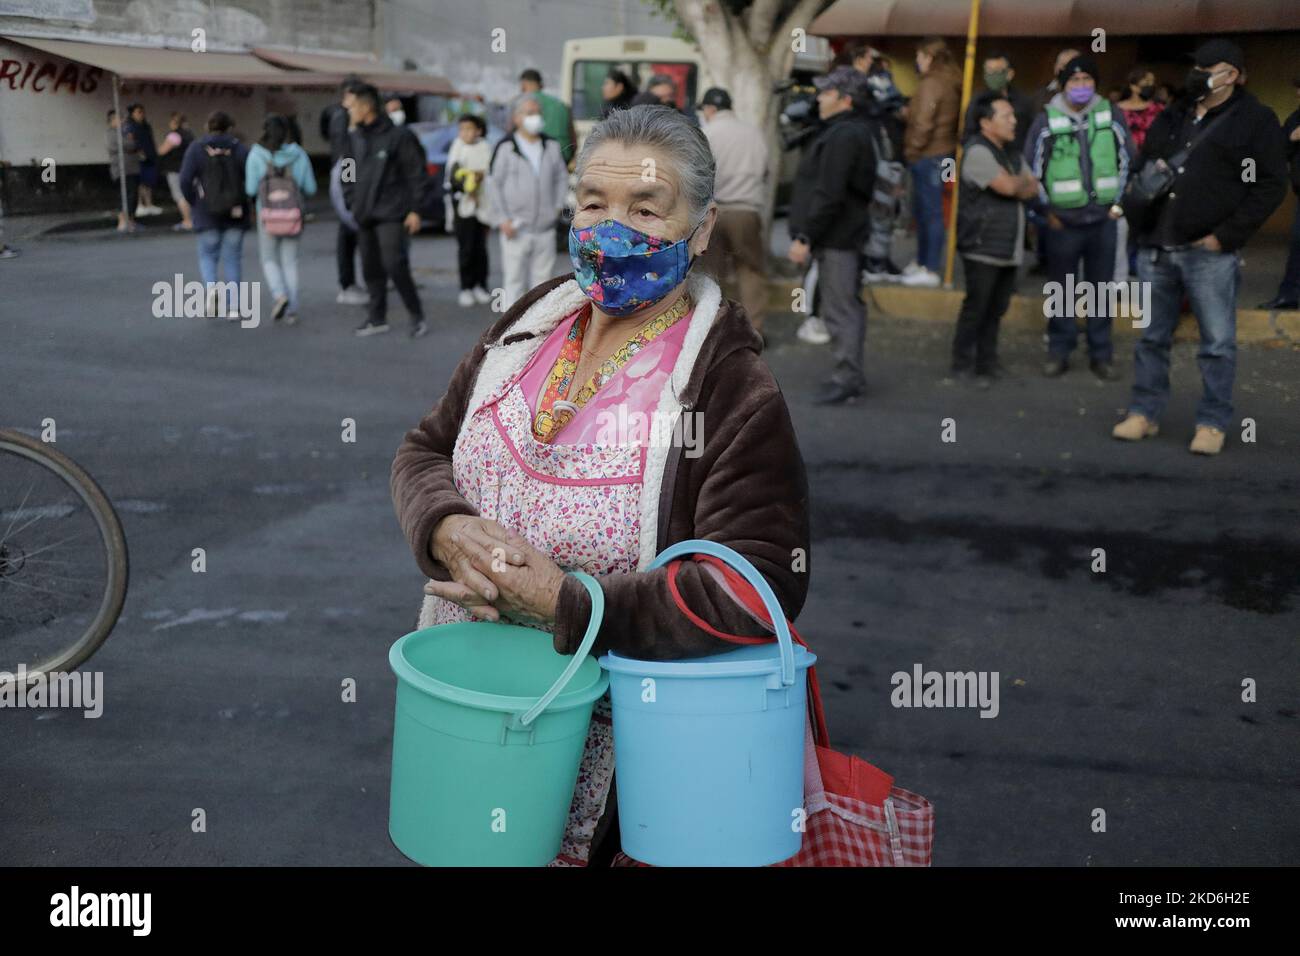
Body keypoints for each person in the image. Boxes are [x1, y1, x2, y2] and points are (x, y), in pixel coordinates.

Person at [391, 103, 809, 867]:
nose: (612, 229)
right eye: (594, 203)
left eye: (646, 208)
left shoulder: (730, 384)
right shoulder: (530, 325)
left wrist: (567, 603)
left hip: (616, 767)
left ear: (704, 227)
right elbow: (425, 449)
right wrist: (443, 526)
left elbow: (759, 587)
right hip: (471, 715)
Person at [1113, 39, 1287, 456]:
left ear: (1235, 76)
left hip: (1209, 252)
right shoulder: (1174, 114)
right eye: (1198, 65)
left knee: (1217, 342)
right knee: (1152, 338)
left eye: (1213, 66)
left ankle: (1212, 422)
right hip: (1157, 245)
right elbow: (1143, 163)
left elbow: (1269, 185)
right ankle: (1143, 412)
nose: (1201, 72)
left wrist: (1226, 236)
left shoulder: (1256, 120)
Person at [1024, 54, 1134, 379]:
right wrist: (1047, 211)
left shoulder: (1110, 113)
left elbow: (1128, 160)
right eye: (1075, 80)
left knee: (1100, 289)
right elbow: (1033, 170)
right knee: (1062, 290)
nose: (1082, 86)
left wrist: (1118, 206)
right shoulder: (1046, 119)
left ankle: (1101, 353)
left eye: (1088, 80)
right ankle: (1060, 350)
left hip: (1103, 220)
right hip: (1063, 222)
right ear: (1063, 84)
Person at [787, 66, 877, 405]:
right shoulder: (844, 131)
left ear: (845, 99)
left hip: (839, 237)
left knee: (841, 309)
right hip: (839, 235)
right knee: (842, 305)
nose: (819, 98)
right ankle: (848, 374)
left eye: (826, 92)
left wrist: (805, 237)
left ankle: (847, 377)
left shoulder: (845, 135)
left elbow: (830, 192)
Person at [952, 92, 1039, 387]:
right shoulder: (977, 152)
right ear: (986, 122)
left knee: (996, 309)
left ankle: (987, 363)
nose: (1014, 121)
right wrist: (1017, 184)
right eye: (1006, 116)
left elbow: (1032, 188)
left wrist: (1018, 184)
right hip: (982, 245)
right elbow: (1007, 187)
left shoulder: (1011, 153)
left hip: (1008, 246)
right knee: (978, 307)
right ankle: (963, 363)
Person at [342, 83, 429, 338]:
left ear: (367, 106)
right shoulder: (354, 137)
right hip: (363, 212)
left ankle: (416, 315)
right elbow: (347, 172)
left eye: (353, 106)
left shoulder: (398, 136)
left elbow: (416, 173)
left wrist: (415, 209)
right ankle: (376, 317)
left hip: (392, 212)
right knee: (370, 267)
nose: (349, 112)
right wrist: (351, 201)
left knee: (394, 263)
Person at [696, 87, 770, 337]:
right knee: (750, 269)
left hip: (713, 213)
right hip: (746, 211)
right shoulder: (754, 134)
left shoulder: (706, 134)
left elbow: (698, 174)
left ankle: (713, 328)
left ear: (710, 109)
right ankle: (753, 329)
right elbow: (765, 171)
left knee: (711, 274)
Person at [487, 93, 568, 310]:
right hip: (516, 227)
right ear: (516, 118)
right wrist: (502, 219)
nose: (536, 117)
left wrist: (557, 207)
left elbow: (561, 177)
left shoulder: (550, 145)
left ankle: (538, 331)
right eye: (530, 113)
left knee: (543, 282)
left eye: (538, 113)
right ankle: (510, 333)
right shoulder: (506, 147)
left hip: (545, 226)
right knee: (514, 281)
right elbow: (494, 185)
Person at [245, 113, 317, 325]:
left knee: (268, 258)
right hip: (293, 216)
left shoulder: (256, 155)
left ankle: (279, 294)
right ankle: (292, 310)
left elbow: (250, 189)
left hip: (267, 216)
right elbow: (311, 188)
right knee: (290, 262)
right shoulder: (299, 155)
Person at [179, 110, 251, 317]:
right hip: (236, 213)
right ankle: (234, 308)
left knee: (208, 255)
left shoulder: (196, 148)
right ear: (230, 127)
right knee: (232, 258)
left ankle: (211, 289)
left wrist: (194, 202)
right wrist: (247, 202)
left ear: (207, 127)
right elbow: (251, 179)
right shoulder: (239, 149)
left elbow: (184, 180)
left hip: (205, 212)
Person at [902, 37, 961, 288]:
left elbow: (924, 122)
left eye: (920, 57)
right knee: (936, 208)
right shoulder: (952, 81)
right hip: (946, 153)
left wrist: (912, 150)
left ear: (930, 58)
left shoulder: (932, 84)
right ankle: (926, 263)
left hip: (929, 154)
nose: (917, 61)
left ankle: (929, 266)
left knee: (929, 212)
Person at [1114, 66, 1166, 281]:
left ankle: (1139, 260)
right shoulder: (1116, 110)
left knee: (1147, 213)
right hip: (1121, 168)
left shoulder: (1160, 111)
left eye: (1152, 82)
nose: (1149, 87)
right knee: (1122, 217)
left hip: (1151, 170)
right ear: (1133, 85)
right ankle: (1120, 270)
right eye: (1145, 82)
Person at [325, 75, 369, 306]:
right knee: (349, 232)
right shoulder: (343, 117)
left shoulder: (339, 115)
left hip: (344, 178)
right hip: (346, 180)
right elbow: (346, 158)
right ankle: (348, 284)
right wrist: (349, 190)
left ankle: (351, 283)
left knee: (349, 235)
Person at [1258, 76, 1300, 312]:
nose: (1298, 94)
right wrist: (1292, 138)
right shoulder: (1296, 117)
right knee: (1297, 244)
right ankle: (1289, 295)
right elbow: (1279, 148)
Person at [446, 113, 493, 307]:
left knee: (480, 248)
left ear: (478, 130)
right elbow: (452, 177)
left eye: (469, 129)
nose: (465, 133)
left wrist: (480, 179)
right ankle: (465, 287)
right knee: (465, 248)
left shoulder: (485, 148)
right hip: (462, 206)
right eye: (462, 129)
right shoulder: (457, 147)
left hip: (482, 205)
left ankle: (480, 285)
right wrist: (466, 186)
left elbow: (491, 173)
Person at [963, 53, 1036, 154]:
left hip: (1017, 158)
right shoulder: (978, 101)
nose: (992, 75)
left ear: (1009, 74)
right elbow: (968, 134)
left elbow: (1031, 133)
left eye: (997, 71)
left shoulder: (1023, 102)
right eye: (988, 71)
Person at [519, 68, 577, 164]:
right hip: (563, 157)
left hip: (537, 159)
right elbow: (573, 138)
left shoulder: (524, 105)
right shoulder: (561, 105)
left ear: (524, 84)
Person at [157, 112, 195, 231]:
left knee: (179, 195)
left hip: (175, 169)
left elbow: (162, 151)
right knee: (190, 194)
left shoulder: (174, 136)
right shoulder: (189, 135)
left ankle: (187, 221)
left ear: (174, 122)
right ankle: (194, 219)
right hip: (189, 168)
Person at [105, 109, 141, 233]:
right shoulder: (112, 133)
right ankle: (123, 221)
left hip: (131, 168)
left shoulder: (123, 132)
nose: (123, 121)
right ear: (113, 120)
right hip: (122, 169)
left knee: (133, 195)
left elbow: (134, 143)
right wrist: (131, 142)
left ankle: (131, 221)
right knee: (125, 195)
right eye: (119, 119)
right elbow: (129, 145)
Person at [125, 103, 161, 217]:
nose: (141, 114)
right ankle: (140, 205)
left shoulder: (146, 126)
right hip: (138, 158)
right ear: (132, 114)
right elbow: (130, 142)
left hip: (150, 156)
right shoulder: (130, 126)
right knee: (140, 182)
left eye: (142, 112)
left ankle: (149, 204)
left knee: (149, 181)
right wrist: (138, 151)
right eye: (138, 112)